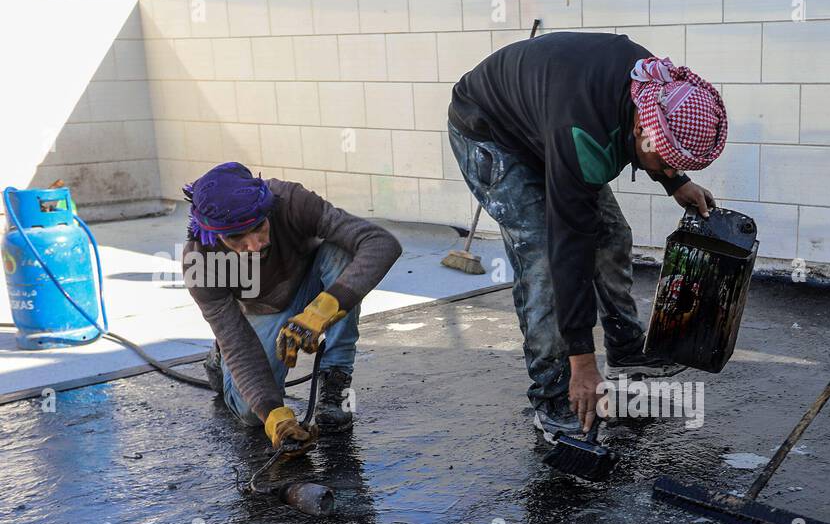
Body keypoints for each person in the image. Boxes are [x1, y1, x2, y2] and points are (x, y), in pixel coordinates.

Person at [448, 32, 727, 440]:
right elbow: (568, 245)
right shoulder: (586, 132)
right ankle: (555, 393)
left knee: (612, 235)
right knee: (543, 255)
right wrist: (583, 362)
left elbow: (653, 147)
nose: (668, 169)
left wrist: (675, 183)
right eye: (666, 164)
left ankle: (627, 346)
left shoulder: (655, 87)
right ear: (641, 128)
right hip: (490, 131)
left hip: (548, 119)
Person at [183, 162, 402, 455]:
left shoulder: (291, 201)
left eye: (258, 228)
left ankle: (334, 379)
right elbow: (239, 343)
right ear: (215, 235)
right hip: (262, 310)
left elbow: (381, 242)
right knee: (252, 414)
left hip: (311, 285)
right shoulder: (200, 261)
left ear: (267, 211)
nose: (254, 245)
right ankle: (221, 356)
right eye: (237, 238)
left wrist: (324, 309)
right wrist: (274, 414)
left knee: (344, 252)